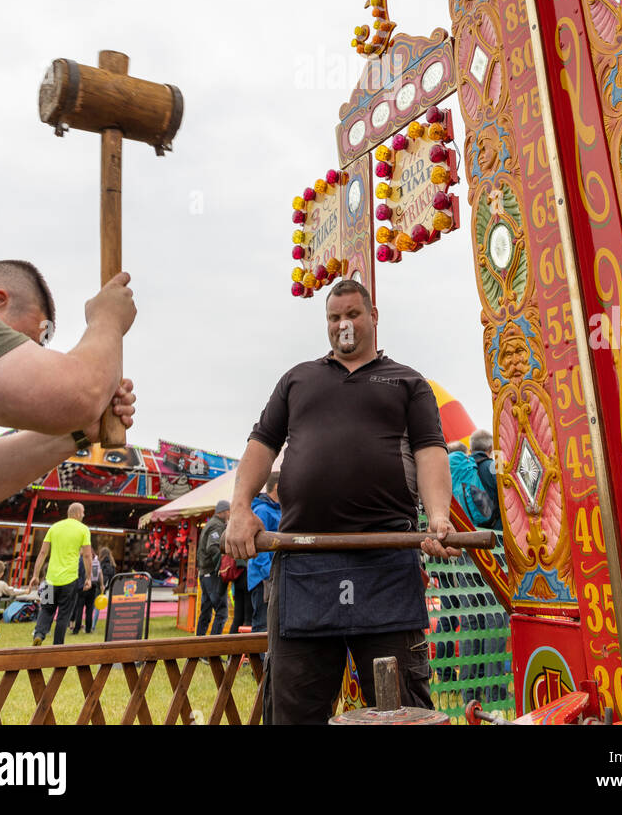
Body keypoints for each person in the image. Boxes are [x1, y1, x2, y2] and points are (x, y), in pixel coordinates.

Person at [225, 278, 458, 725]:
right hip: (303, 562)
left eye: (352, 314)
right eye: (334, 317)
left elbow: (431, 451)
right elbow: (260, 444)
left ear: (373, 317)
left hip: (386, 561)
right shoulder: (297, 379)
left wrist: (438, 517)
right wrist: (240, 509)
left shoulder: (408, 382)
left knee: (402, 713)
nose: (343, 324)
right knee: (293, 711)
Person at [0, 263, 137, 522]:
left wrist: (78, 433)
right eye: (15, 345)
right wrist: (108, 319)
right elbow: (77, 396)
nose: (19, 362)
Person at [29, 502, 91, 645]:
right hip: (69, 580)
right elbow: (87, 556)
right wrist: (88, 577)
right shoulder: (83, 529)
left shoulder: (54, 527)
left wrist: (35, 575)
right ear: (77, 513)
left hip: (50, 579)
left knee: (46, 608)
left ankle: (39, 633)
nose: (84, 515)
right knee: (63, 615)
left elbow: (43, 552)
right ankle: (57, 646)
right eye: (83, 512)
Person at [247, 474, 280, 633]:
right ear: (277, 487)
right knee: (262, 624)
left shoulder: (273, 509)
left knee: (270, 623)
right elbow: (258, 546)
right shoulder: (262, 510)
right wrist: (269, 574)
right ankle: (258, 658)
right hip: (264, 578)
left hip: (271, 576)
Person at [195, 501, 229, 637]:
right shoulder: (217, 525)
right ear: (225, 511)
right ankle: (212, 651)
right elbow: (213, 546)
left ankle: (198, 649)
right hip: (211, 574)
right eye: (230, 511)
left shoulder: (211, 523)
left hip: (204, 573)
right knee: (221, 612)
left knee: (206, 611)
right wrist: (222, 565)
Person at [469, 429, 501, 532]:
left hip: (468, 529)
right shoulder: (495, 466)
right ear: (491, 449)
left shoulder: (462, 466)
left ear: (470, 449)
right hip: (495, 531)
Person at [71, 545, 102, 634]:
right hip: (92, 586)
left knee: (79, 608)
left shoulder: (80, 560)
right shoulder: (94, 560)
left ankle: (76, 629)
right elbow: (99, 573)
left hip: (82, 586)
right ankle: (88, 628)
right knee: (89, 609)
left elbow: (78, 573)